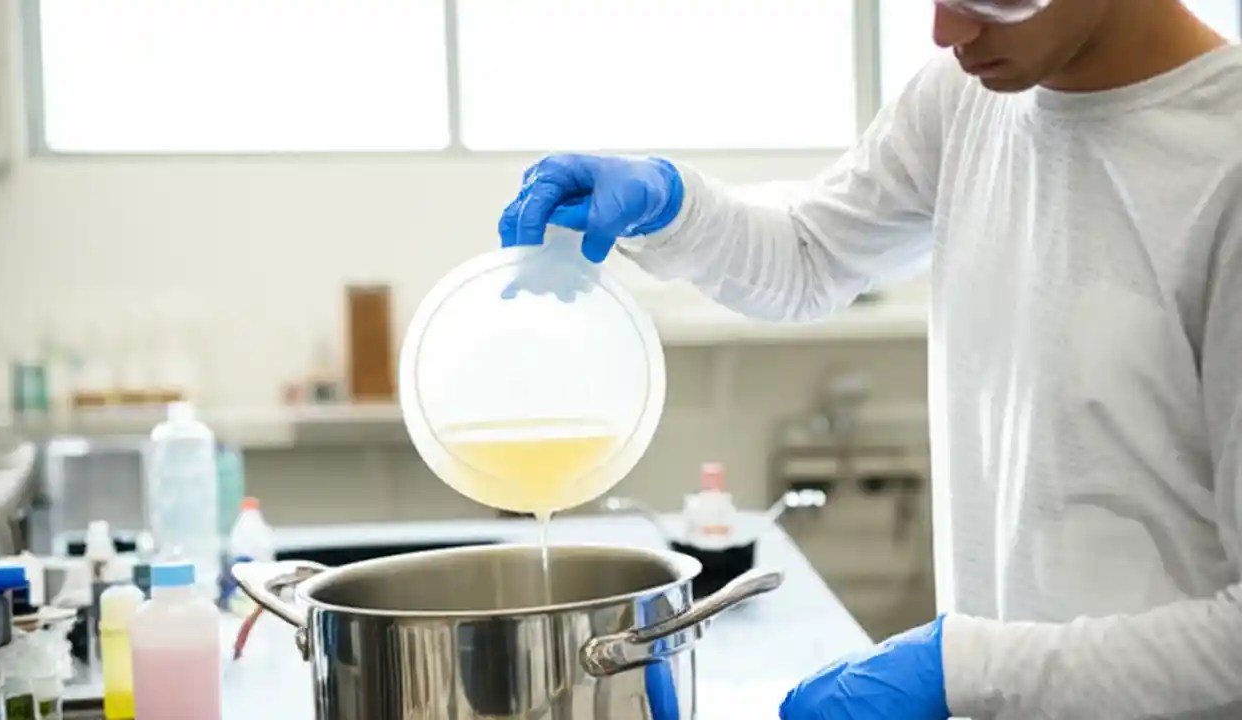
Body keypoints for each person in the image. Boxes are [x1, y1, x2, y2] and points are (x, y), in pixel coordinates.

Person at [499, 0, 1242, 718]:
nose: (945, 30)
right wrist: (673, 208)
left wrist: (964, 670)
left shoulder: (1222, 165)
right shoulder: (967, 99)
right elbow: (812, 256)